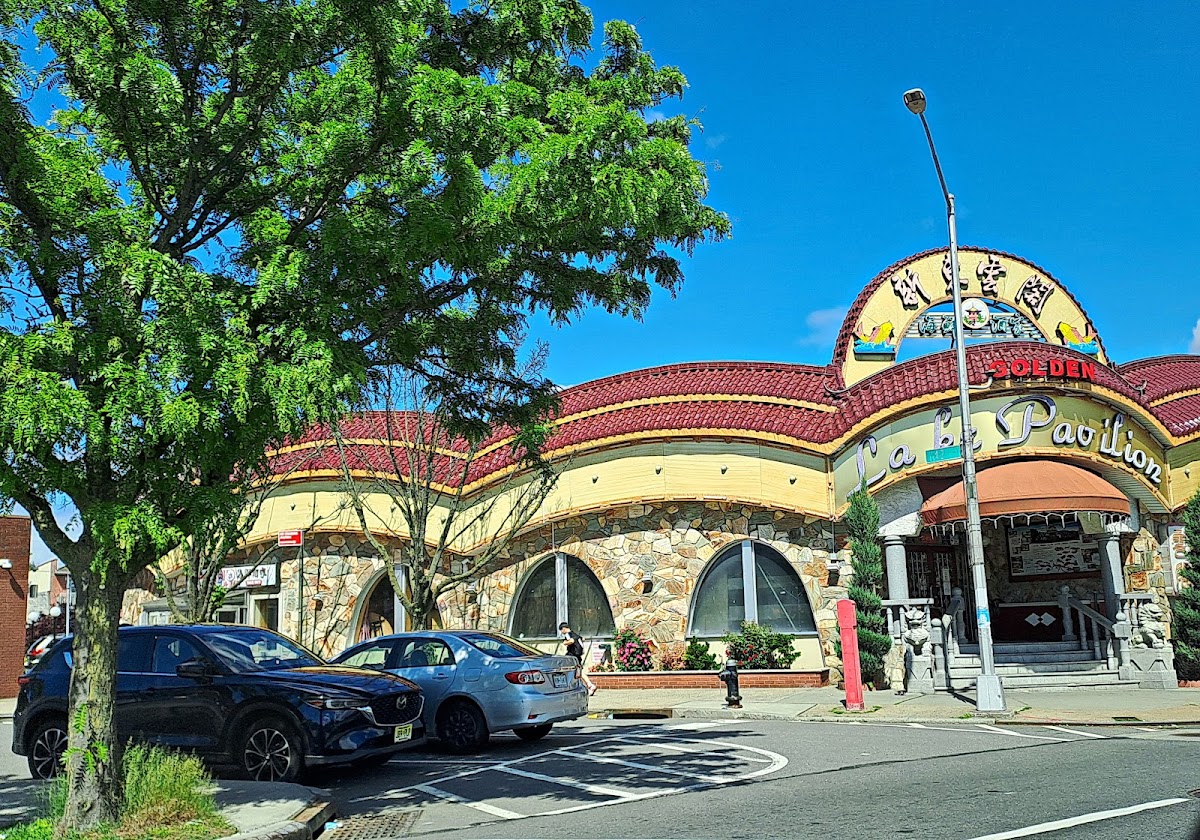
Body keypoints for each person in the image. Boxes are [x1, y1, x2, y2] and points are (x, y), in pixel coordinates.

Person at [559, 621, 597, 696]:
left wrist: (565, 643)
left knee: (565, 669)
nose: (561, 632)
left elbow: (571, 641)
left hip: (572, 656)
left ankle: (589, 685)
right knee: (578, 671)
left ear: (564, 629)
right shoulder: (576, 634)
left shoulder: (568, 634)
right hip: (578, 656)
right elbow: (582, 640)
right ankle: (588, 685)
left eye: (561, 630)